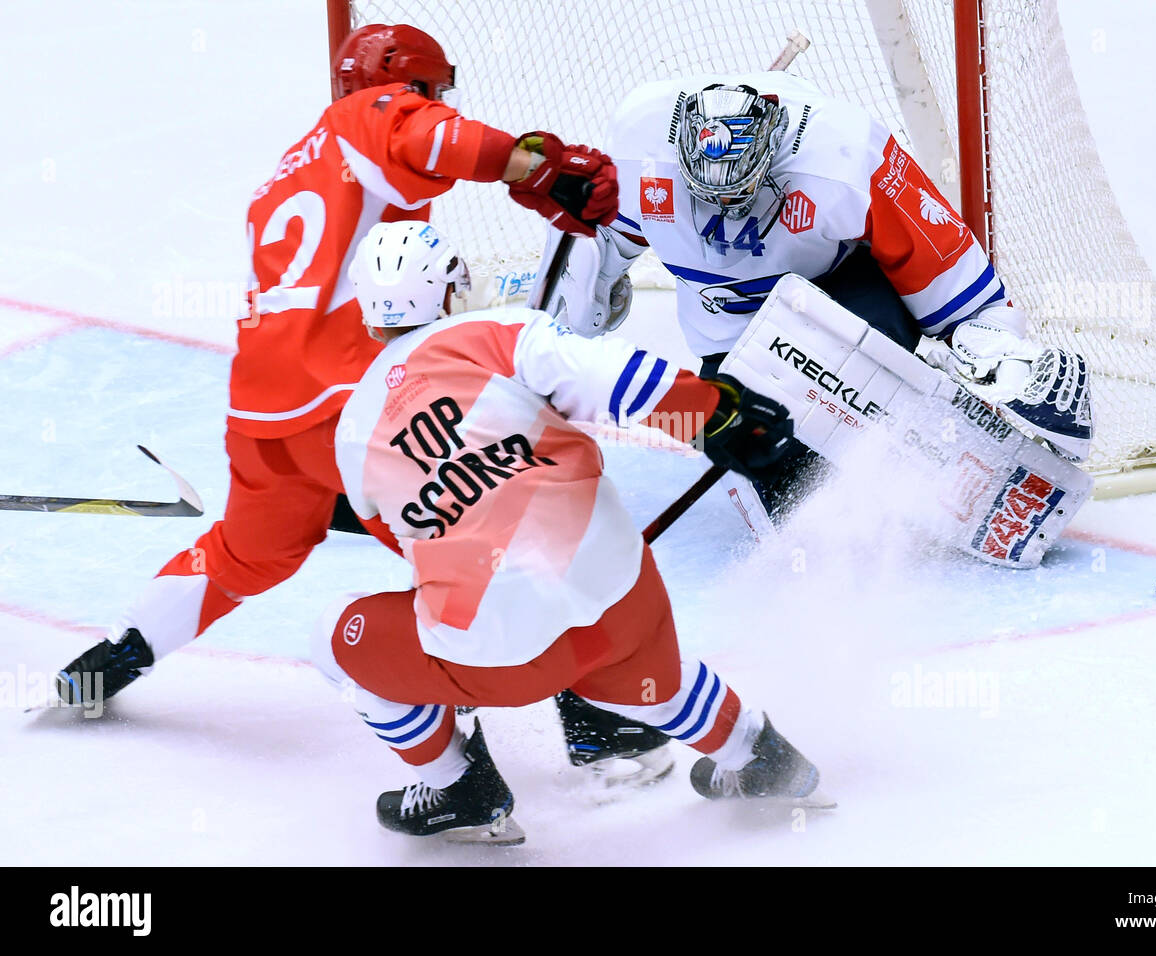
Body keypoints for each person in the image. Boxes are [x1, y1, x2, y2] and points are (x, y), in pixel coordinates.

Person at [55, 24, 618, 708]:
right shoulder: (368, 117)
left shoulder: (286, 171)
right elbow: (437, 139)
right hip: (348, 405)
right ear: (403, 87)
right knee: (485, 539)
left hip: (263, 414)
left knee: (246, 552)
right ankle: (590, 719)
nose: (438, 104)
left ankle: (107, 663)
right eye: (430, 92)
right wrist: (542, 170)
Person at [312, 218, 829, 843]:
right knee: (651, 684)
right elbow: (613, 378)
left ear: (367, 315)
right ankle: (760, 758)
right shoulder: (496, 332)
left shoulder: (351, 433)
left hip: (500, 658)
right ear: (453, 288)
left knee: (333, 638)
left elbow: (404, 545)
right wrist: (719, 416)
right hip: (622, 602)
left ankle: (458, 786)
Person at [534, 71, 1092, 515]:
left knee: (853, 399)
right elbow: (597, 243)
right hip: (728, 331)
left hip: (839, 301)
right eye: (707, 196)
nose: (724, 213)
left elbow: (952, 274)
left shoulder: (844, 157)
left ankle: (921, 403)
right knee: (778, 483)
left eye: (741, 195)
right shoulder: (639, 151)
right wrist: (569, 325)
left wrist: (991, 351)